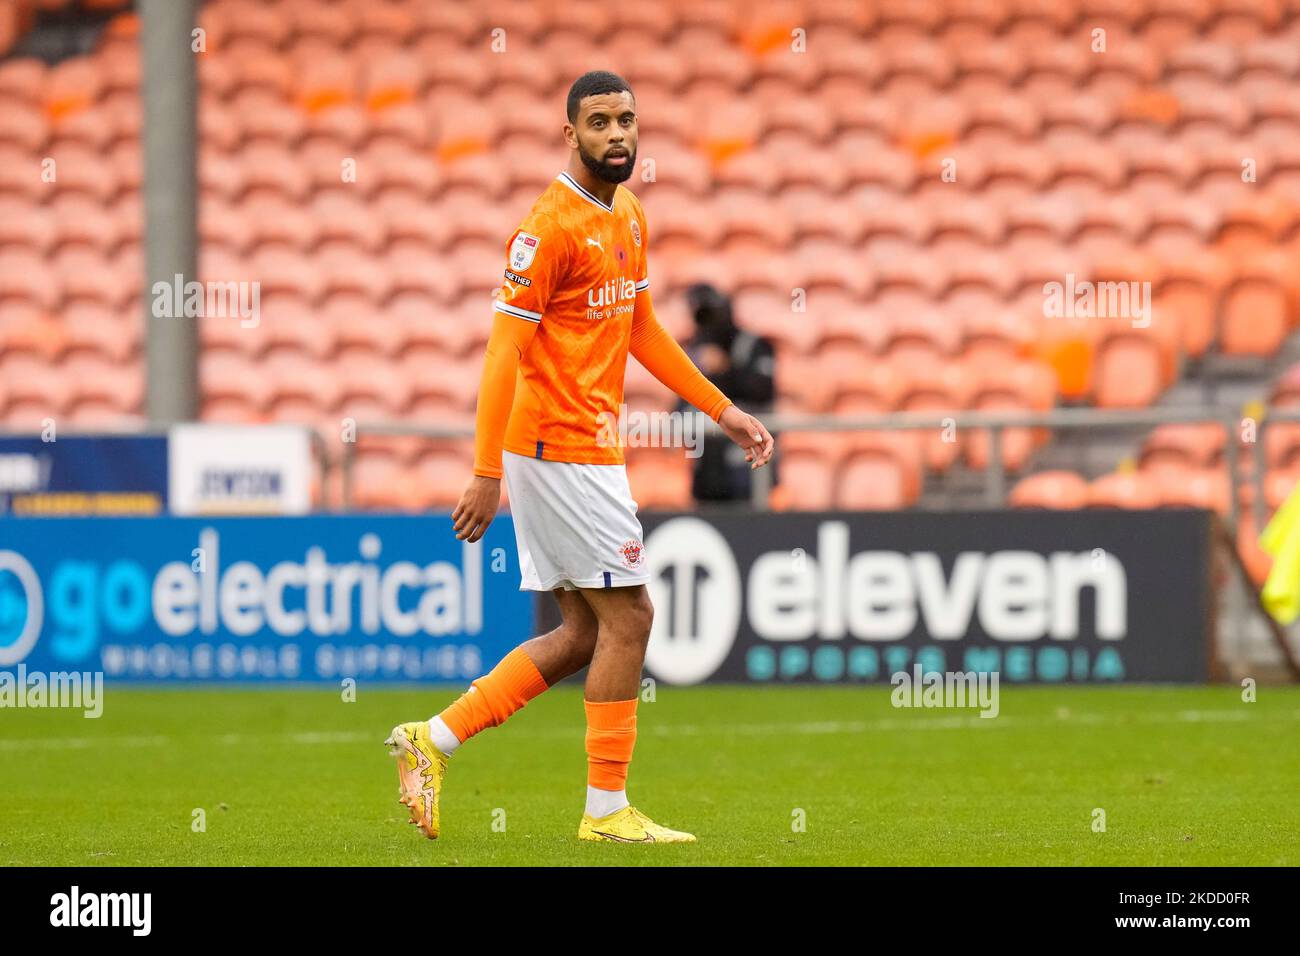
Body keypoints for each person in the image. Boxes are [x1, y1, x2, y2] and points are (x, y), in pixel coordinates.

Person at [385, 71, 774, 845]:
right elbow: (504, 350)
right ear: (571, 134)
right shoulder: (548, 227)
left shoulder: (628, 214)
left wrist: (722, 410)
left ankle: (433, 738)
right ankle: (605, 813)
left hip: (585, 447)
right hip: (557, 448)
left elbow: (642, 332)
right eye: (599, 122)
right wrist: (486, 470)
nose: (617, 134)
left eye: (627, 118)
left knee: (584, 634)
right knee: (632, 616)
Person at [683, 283, 776, 502]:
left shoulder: (753, 345)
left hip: (747, 460)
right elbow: (680, 406)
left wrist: (726, 369)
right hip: (707, 465)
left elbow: (763, 390)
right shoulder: (697, 349)